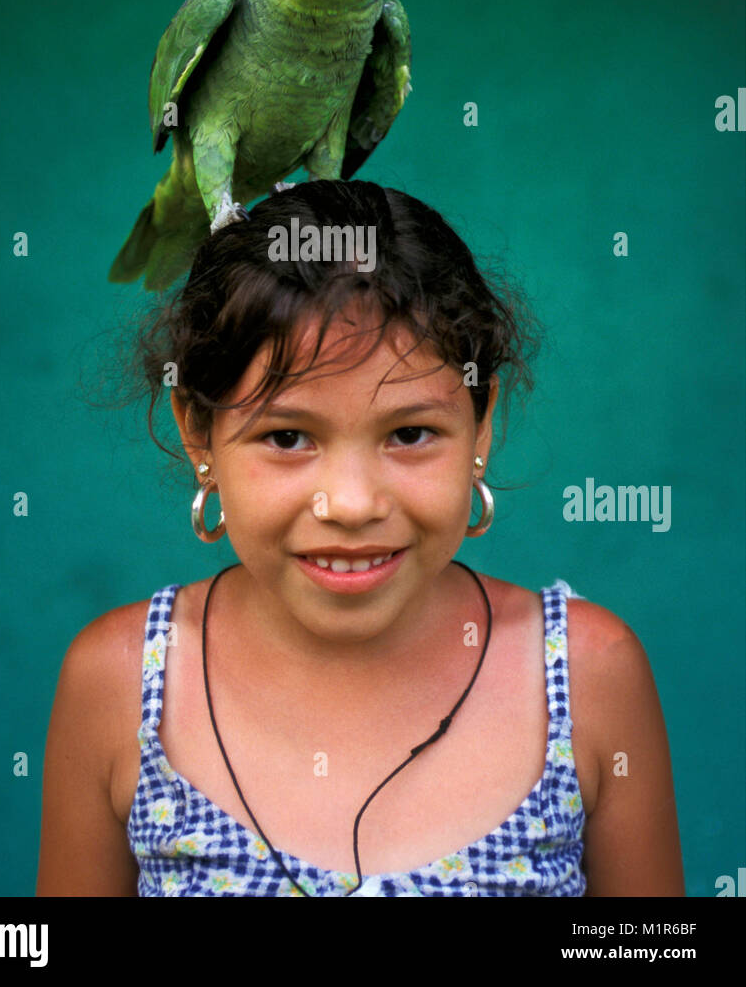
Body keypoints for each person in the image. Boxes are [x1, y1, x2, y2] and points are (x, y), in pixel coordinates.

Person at [36, 180, 684, 897]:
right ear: (200, 435)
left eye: (410, 434)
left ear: (482, 424)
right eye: (286, 437)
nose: (349, 504)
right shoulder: (122, 683)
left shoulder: (588, 675)